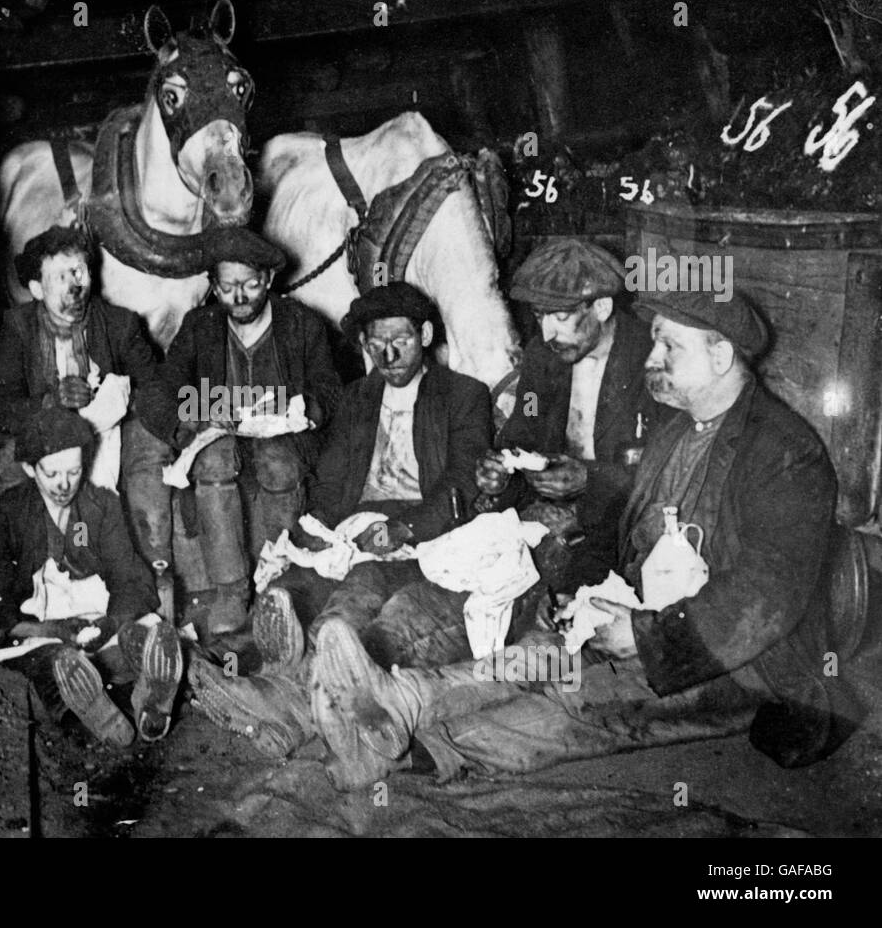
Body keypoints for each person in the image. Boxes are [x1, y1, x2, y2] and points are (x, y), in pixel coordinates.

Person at [308, 290, 867, 791]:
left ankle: (398, 739)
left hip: (736, 661)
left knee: (575, 702)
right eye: (653, 344)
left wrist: (646, 636)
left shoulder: (783, 452)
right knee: (536, 658)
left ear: (720, 357)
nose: (651, 360)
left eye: (669, 347)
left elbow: (765, 597)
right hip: (652, 616)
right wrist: (581, 596)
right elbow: (633, 526)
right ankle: (393, 708)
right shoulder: (680, 428)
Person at [188, 282, 497, 759]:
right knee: (290, 591)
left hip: (422, 535)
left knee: (354, 598)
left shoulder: (462, 395)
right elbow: (332, 481)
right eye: (376, 343)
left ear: (427, 334)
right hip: (356, 526)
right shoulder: (357, 399)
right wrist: (310, 533)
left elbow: (461, 482)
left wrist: (406, 528)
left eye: (402, 340)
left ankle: (276, 697)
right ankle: (216, 663)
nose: (389, 353)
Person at [154, 227, 341, 640]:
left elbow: (332, 390)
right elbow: (160, 393)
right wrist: (197, 411)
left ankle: (277, 583)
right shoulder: (200, 326)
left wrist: (307, 408)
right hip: (224, 441)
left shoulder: (301, 324)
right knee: (214, 457)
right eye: (226, 287)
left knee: (276, 461)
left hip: (284, 441)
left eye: (251, 285)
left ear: (270, 280)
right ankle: (231, 592)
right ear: (212, 287)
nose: (239, 298)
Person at [0, 407, 183, 746]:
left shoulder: (100, 505)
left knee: (145, 632)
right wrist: (49, 629)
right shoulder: (7, 515)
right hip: (41, 630)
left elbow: (131, 579)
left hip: (98, 625)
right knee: (54, 662)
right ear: (29, 468)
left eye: (73, 472)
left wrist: (111, 622)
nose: (64, 484)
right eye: (52, 473)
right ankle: (96, 713)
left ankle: (149, 701)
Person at [476, 239, 665, 591]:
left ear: (602, 307)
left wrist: (592, 478)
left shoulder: (652, 359)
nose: (547, 333)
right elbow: (525, 424)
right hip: (549, 514)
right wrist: (500, 468)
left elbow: (668, 471)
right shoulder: (542, 356)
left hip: (621, 524)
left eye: (560, 317)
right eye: (538, 315)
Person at [0, 226, 173, 584]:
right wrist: (51, 400)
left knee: (150, 447)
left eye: (80, 272)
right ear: (37, 289)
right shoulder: (18, 327)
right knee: (7, 459)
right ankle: (31, 587)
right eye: (61, 277)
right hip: (46, 445)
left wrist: (115, 397)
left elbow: (156, 389)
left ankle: (149, 582)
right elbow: (1, 410)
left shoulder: (119, 324)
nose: (76, 286)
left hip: (109, 437)